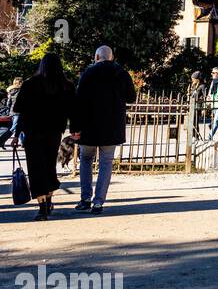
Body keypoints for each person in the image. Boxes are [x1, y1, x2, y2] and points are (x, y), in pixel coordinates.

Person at [72, 44, 137, 215]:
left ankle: (85, 199)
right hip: (112, 127)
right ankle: (99, 202)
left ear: (96, 57)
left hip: (89, 127)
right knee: (106, 163)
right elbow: (131, 97)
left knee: (85, 160)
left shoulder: (88, 73)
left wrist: (75, 127)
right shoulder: (121, 73)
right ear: (112, 57)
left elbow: (78, 102)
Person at [13, 52, 75, 220]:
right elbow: (73, 111)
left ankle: (42, 208)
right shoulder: (66, 86)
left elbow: (21, 112)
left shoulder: (29, 85)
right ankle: (48, 200)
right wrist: (75, 130)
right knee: (49, 167)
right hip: (54, 132)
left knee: (35, 169)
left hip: (32, 133)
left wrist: (16, 135)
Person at [0, 76, 24, 149]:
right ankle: (1, 141)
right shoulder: (23, 91)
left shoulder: (10, 91)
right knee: (14, 128)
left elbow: (8, 103)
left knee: (16, 128)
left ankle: (23, 142)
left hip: (12, 112)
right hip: (20, 112)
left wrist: (9, 111)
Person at [186, 69, 206, 141]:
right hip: (192, 105)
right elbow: (192, 95)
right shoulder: (193, 86)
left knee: (195, 121)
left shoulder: (202, 86)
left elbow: (205, 96)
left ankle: (196, 136)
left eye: (193, 79)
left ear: (197, 79)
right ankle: (193, 136)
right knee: (191, 121)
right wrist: (189, 93)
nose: (192, 80)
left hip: (198, 106)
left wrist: (203, 107)